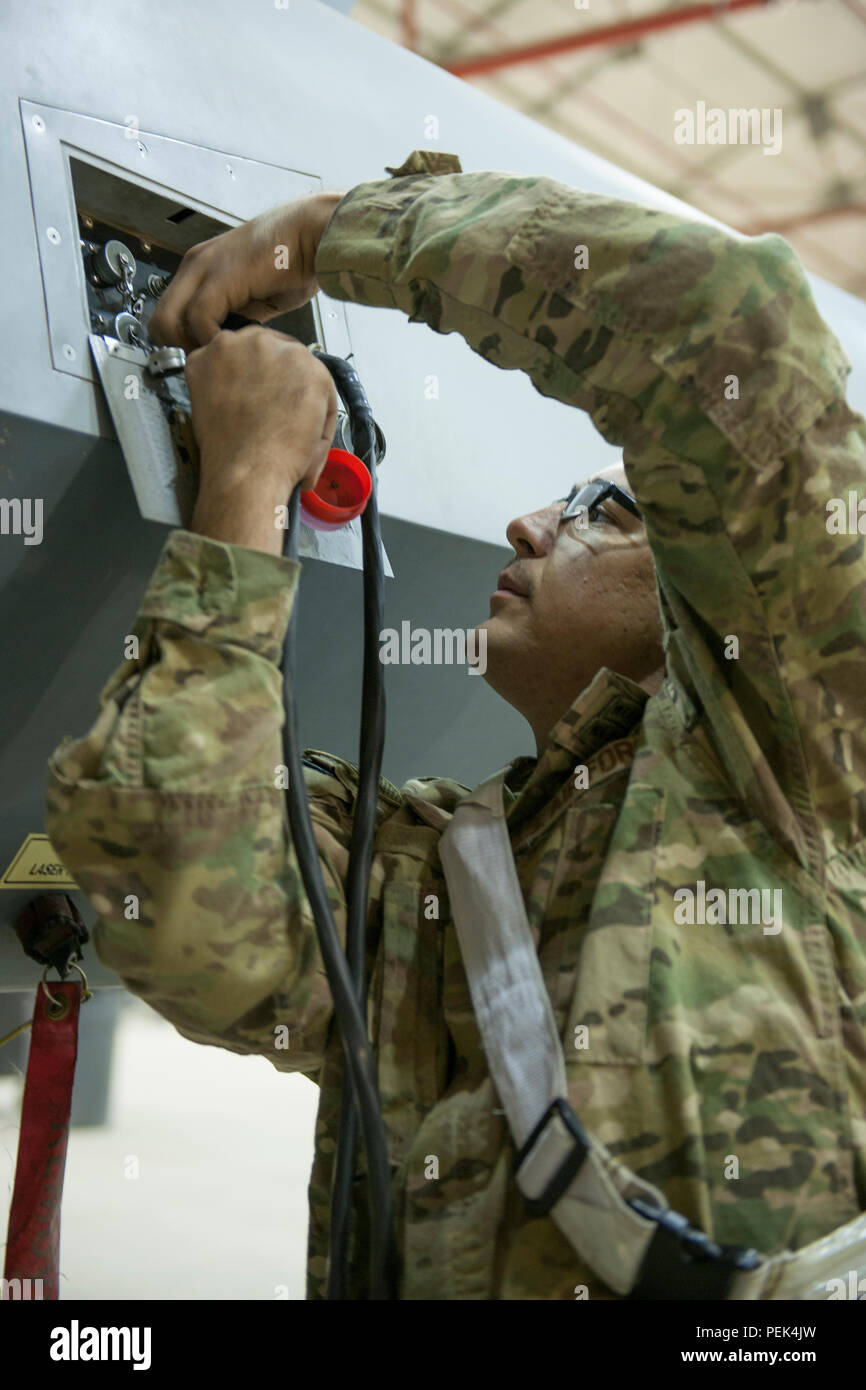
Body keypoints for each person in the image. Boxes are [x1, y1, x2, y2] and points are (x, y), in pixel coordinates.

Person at [45, 149, 866, 1300]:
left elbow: (733, 327)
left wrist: (328, 232)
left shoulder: (794, 760)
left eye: (602, 510)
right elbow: (168, 886)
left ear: (708, 595)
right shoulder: (438, 881)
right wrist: (242, 498)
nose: (527, 526)